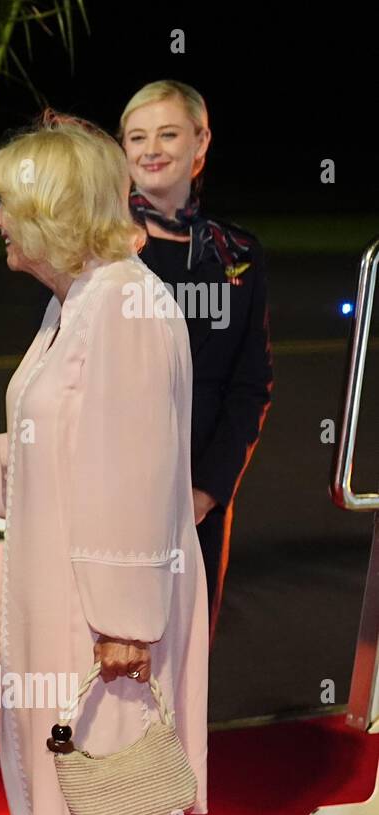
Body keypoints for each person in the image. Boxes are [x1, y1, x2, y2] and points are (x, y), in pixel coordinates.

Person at [0, 114, 208, 815]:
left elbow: (134, 476)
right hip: (78, 624)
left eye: (10, 204)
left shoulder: (122, 311)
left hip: (104, 639)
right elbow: (55, 458)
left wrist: (125, 627)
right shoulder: (77, 304)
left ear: (55, 214)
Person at [119, 80, 272, 642]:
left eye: (167, 133)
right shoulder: (97, 247)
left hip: (197, 504)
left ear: (200, 142)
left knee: (183, 662)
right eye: (137, 136)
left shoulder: (239, 255)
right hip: (111, 492)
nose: (151, 149)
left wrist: (208, 490)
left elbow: (250, 384)